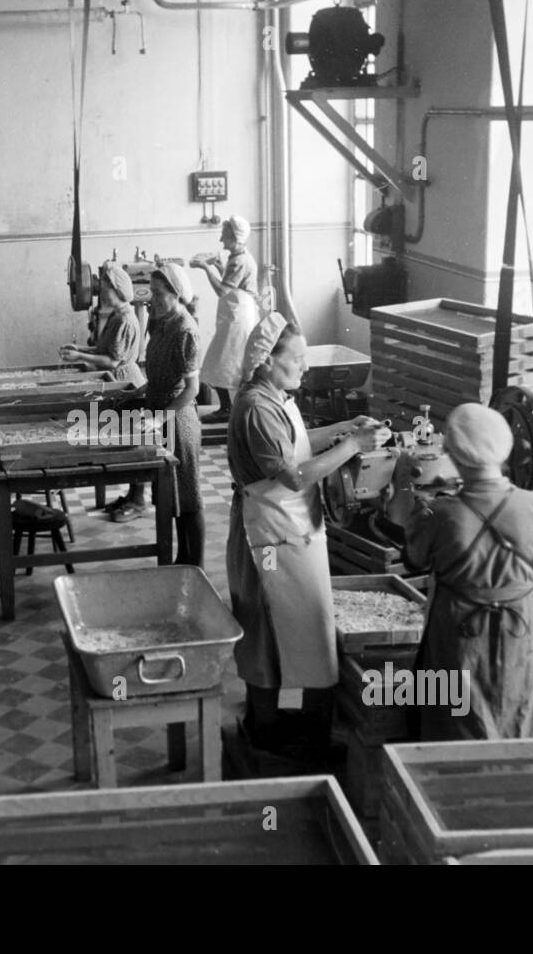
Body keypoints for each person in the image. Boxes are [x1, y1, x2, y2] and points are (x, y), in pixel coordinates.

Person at [228, 314, 390, 753]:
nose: (304, 368)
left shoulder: (277, 396)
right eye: (296, 359)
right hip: (267, 536)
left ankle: (297, 725)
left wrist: (342, 430)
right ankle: (265, 729)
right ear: (267, 361)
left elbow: (297, 441)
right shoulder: (257, 407)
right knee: (264, 628)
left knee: (306, 626)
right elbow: (295, 476)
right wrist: (353, 447)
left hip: (295, 530)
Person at [388, 403, 533, 741]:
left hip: (458, 623)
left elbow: (414, 562)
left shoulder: (436, 514)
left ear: (451, 452)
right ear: (508, 448)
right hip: (524, 619)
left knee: (456, 712)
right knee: (520, 704)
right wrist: (527, 600)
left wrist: (402, 485)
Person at [120, 262, 205, 563]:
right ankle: (176, 563)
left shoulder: (185, 330)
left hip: (177, 421)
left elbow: (192, 389)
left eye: (157, 293)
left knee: (187, 499)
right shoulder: (160, 324)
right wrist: (138, 393)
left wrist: (159, 417)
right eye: (151, 293)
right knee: (169, 499)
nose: (151, 299)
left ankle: (194, 565)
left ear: (176, 293)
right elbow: (157, 375)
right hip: (158, 412)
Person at [59, 261, 150, 520]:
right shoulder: (116, 315)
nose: (101, 292)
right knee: (125, 439)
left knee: (133, 442)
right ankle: (132, 496)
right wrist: (78, 351)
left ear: (117, 289)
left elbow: (113, 361)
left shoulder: (125, 319)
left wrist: (78, 355)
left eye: (106, 287)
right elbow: (102, 350)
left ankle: (139, 499)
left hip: (125, 383)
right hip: (114, 380)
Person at [191, 215, 259, 418]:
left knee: (223, 361)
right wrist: (219, 266)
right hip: (236, 313)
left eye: (224, 235)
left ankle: (234, 408)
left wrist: (205, 268)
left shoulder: (240, 261)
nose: (221, 240)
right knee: (223, 361)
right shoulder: (239, 257)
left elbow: (222, 290)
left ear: (235, 237)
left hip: (238, 315)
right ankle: (229, 407)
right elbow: (231, 282)